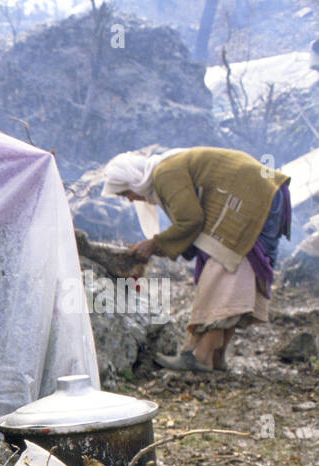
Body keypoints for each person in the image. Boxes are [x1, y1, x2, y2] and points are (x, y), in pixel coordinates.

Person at [101, 146, 291, 372]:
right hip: (264, 196)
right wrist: (156, 246)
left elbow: (190, 221)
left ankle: (199, 356)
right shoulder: (168, 169)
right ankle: (216, 358)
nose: (130, 200)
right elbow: (191, 228)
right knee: (232, 277)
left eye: (125, 194)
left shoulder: (165, 173)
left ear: (134, 183)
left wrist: (154, 244)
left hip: (254, 201)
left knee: (223, 275)